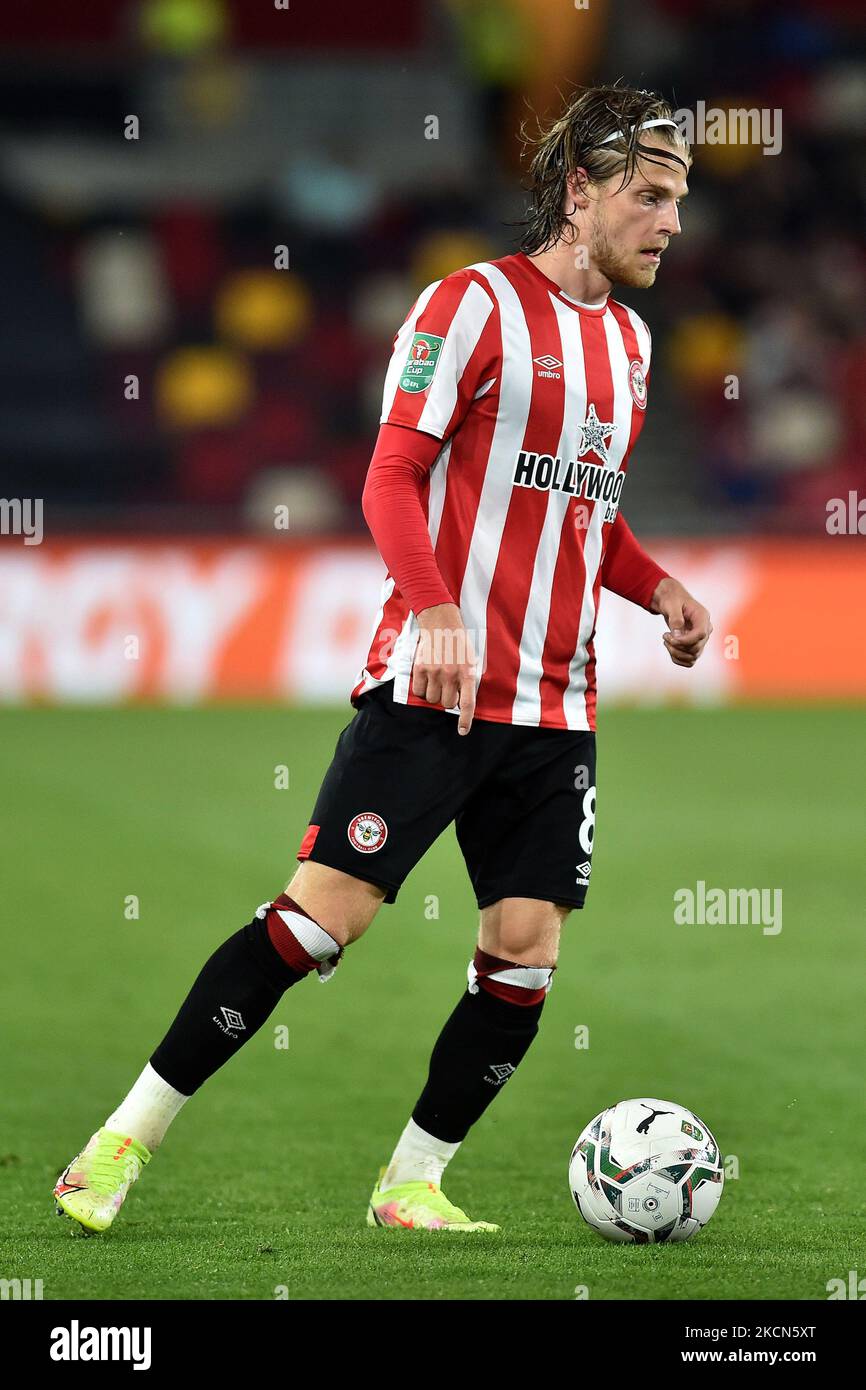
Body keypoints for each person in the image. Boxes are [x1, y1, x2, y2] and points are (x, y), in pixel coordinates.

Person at [54, 82, 712, 1235]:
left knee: (522, 951)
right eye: (649, 195)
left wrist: (653, 585)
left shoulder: (631, 343)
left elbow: (583, 516)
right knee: (319, 923)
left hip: (555, 709)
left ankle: (411, 1182)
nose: (669, 221)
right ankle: (117, 1144)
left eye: (679, 199)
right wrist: (432, 606)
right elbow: (389, 474)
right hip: (435, 690)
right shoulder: (467, 308)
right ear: (579, 191)